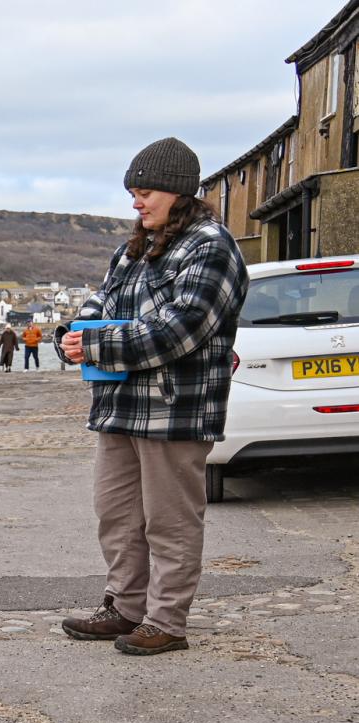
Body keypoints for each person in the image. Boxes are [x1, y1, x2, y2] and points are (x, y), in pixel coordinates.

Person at [59, 137, 247, 656]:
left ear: (177, 191)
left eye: (144, 192)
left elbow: (179, 329)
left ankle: (166, 622)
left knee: (170, 521)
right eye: (133, 193)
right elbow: (99, 304)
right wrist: (70, 336)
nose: (136, 202)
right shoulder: (133, 248)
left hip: (175, 409)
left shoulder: (211, 246)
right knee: (117, 515)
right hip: (118, 406)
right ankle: (125, 607)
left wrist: (93, 344)